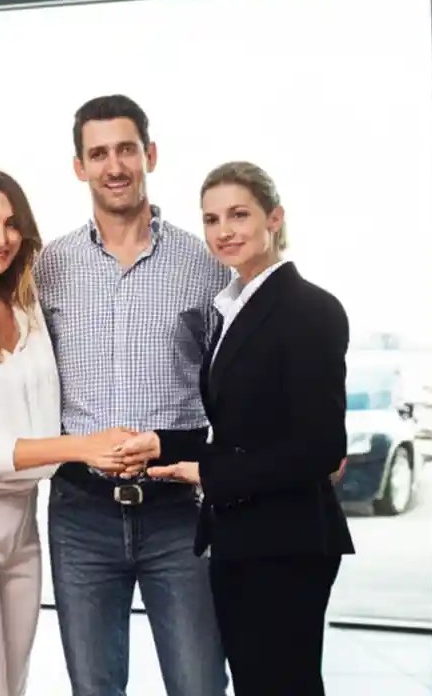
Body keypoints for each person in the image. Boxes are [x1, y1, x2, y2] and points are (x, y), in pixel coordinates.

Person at [0, 166, 148, 696]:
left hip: (23, 526)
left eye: (12, 224)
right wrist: (84, 447)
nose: (1, 238)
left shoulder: (27, 309)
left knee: (12, 688)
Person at [35, 94, 230, 696]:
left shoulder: (203, 266)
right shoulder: (50, 267)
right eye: (98, 154)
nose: (114, 166)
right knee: (95, 689)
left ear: (149, 154)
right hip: (80, 515)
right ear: (79, 167)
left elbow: (231, 383)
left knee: (199, 684)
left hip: (178, 513)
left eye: (125, 149)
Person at [142, 160, 355, 696]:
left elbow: (321, 447)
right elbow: (236, 429)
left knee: (282, 684)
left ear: (274, 218)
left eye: (239, 215)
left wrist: (209, 475)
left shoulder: (309, 310)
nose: (224, 231)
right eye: (212, 219)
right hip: (244, 534)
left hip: (286, 540)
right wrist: (162, 444)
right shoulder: (233, 308)